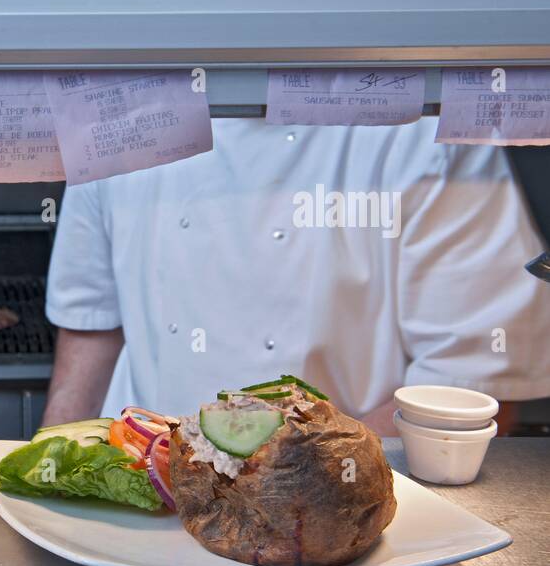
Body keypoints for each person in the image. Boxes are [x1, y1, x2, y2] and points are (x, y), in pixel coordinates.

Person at [42, 117, 550, 435]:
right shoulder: (122, 112)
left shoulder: (421, 126)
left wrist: (283, 486)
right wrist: (52, 478)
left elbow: (471, 388)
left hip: (348, 527)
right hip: (144, 506)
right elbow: (91, 322)